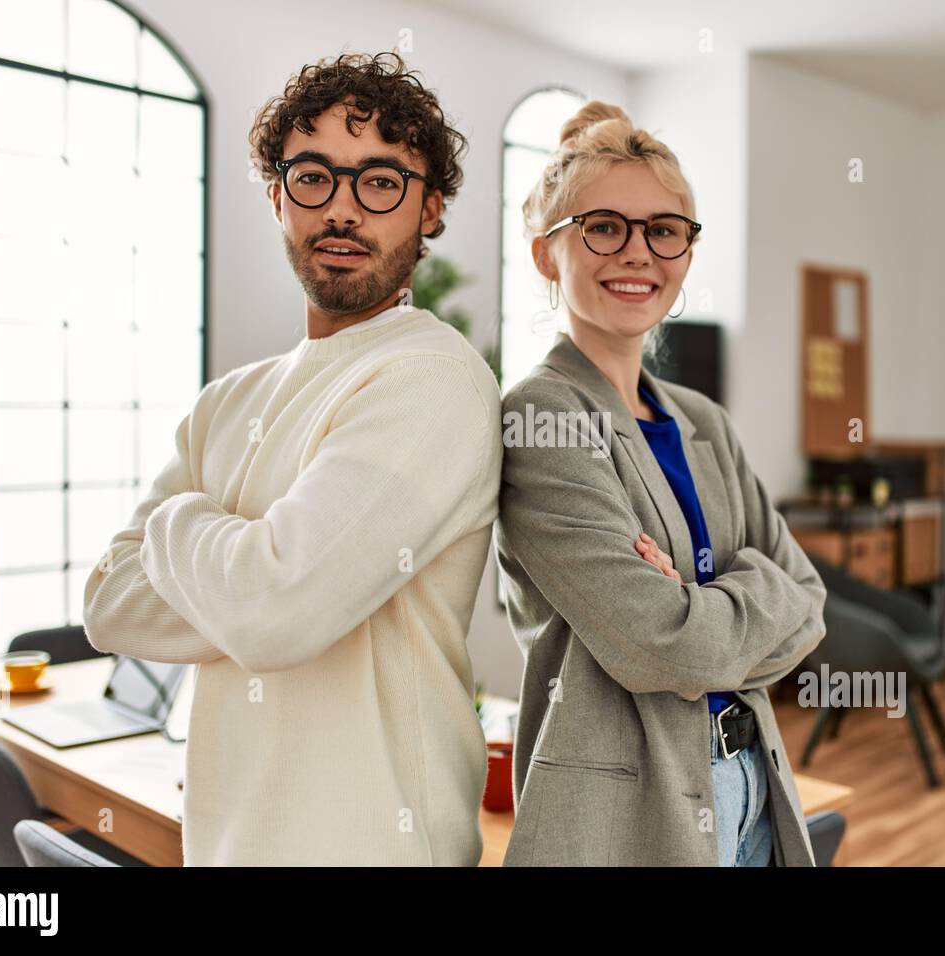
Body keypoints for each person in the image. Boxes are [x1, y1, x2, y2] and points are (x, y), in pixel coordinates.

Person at [83, 51, 502, 866]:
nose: (343, 210)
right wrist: (250, 581)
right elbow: (108, 601)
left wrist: (179, 520)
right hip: (226, 844)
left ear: (430, 211)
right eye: (314, 177)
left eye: (381, 182)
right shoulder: (224, 402)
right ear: (278, 196)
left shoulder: (433, 378)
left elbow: (276, 612)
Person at [494, 101, 827, 866]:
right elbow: (663, 650)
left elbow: (809, 603)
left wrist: (701, 604)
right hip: (628, 811)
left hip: (752, 781)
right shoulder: (543, 416)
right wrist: (750, 589)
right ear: (548, 254)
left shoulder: (703, 419)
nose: (637, 253)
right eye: (603, 227)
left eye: (663, 230)